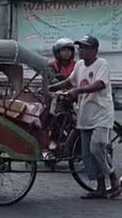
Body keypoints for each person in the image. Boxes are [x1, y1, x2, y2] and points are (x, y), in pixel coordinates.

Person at [50, 35, 120, 199]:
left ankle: (113, 177)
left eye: (85, 48)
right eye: (80, 47)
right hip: (84, 114)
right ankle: (100, 188)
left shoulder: (102, 64)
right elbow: (69, 81)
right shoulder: (80, 65)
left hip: (101, 114)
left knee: (97, 146)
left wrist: (78, 91)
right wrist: (51, 88)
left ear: (94, 50)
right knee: (87, 154)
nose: (81, 51)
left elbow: (99, 84)